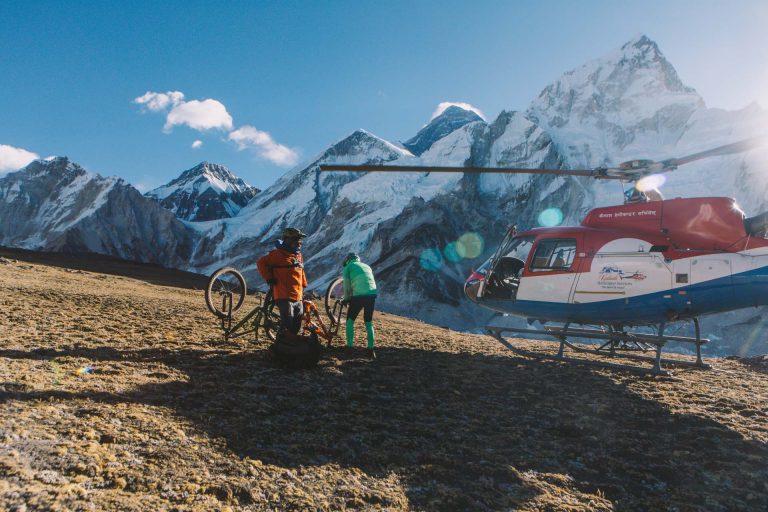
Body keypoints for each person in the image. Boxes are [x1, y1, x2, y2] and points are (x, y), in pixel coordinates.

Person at [257, 227, 308, 334]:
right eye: (296, 240)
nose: (300, 243)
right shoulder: (277, 254)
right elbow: (261, 263)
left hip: (298, 296)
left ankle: (291, 347)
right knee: (287, 324)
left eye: (300, 240)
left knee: (296, 325)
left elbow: (301, 270)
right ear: (288, 240)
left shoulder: (298, 255)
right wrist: (269, 278)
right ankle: (280, 346)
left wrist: (304, 284)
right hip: (284, 295)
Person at [341, 252, 377, 358]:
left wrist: (346, 299)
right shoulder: (367, 266)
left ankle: (349, 348)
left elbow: (347, 288)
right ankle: (371, 350)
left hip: (359, 296)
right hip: (372, 294)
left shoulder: (348, 267)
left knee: (350, 321)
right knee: (368, 322)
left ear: (347, 260)